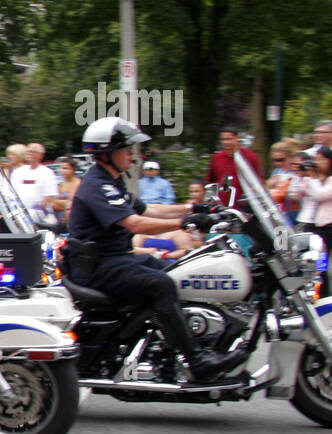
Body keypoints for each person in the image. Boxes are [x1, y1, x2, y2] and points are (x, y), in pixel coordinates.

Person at [66, 117, 247, 381]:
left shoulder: (111, 180)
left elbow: (149, 208)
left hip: (117, 260)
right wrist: (186, 223)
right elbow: (135, 223)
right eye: (127, 148)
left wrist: (196, 208)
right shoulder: (96, 186)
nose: (133, 154)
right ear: (106, 153)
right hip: (100, 267)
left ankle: (179, 346)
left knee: (179, 271)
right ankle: (197, 362)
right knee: (162, 284)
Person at [302, 147, 332, 293]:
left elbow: (320, 195)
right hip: (318, 226)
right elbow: (301, 193)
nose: (318, 162)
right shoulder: (320, 180)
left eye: (322, 159)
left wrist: (311, 179)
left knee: (322, 263)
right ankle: (320, 292)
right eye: (316, 159)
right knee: (318, 263)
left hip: (329, 227)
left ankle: (324, 293)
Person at [205, 129, 262, 202]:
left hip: (243, 205)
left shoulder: (250, 157)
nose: (226, 142)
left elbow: (258, 182)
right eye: (223, 139)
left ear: (237, 138)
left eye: (229, 139)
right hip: (221, 205)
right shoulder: (216, 158)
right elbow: (211, 183)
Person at [11, 143, 60, 222]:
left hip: (40, 217)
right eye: (28, 151)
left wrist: (34, 213)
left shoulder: (47, 173)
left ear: (41, 155)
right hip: (19, 216)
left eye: (33, 152)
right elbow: (11, 194)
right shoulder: (17, 172)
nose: (29, 153)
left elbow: (49, 197)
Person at [52, 156, 81, 227]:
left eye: (66, 168)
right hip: (60, 220)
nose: (62, 171)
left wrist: (62, 203)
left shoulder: (78, 183)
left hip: (74, 220)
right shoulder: (61, 184)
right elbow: (54, 204)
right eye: (61, 168)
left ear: (73, 170)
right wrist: (65, 203)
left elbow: (74, 203)